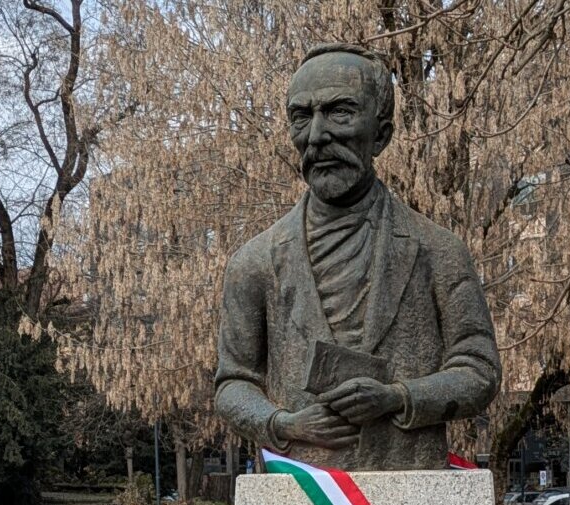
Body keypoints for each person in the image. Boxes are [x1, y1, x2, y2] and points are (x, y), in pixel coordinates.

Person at [213, 44, 500, 471]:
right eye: (301, 117)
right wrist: (283, 424)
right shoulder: (253, 264)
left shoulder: (438, 251)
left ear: (381, 134)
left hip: (411, 490)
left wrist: (398, 397)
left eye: (340, 112)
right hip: (305, 491)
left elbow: (479, 370)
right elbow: (232, 383)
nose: (316, 136)